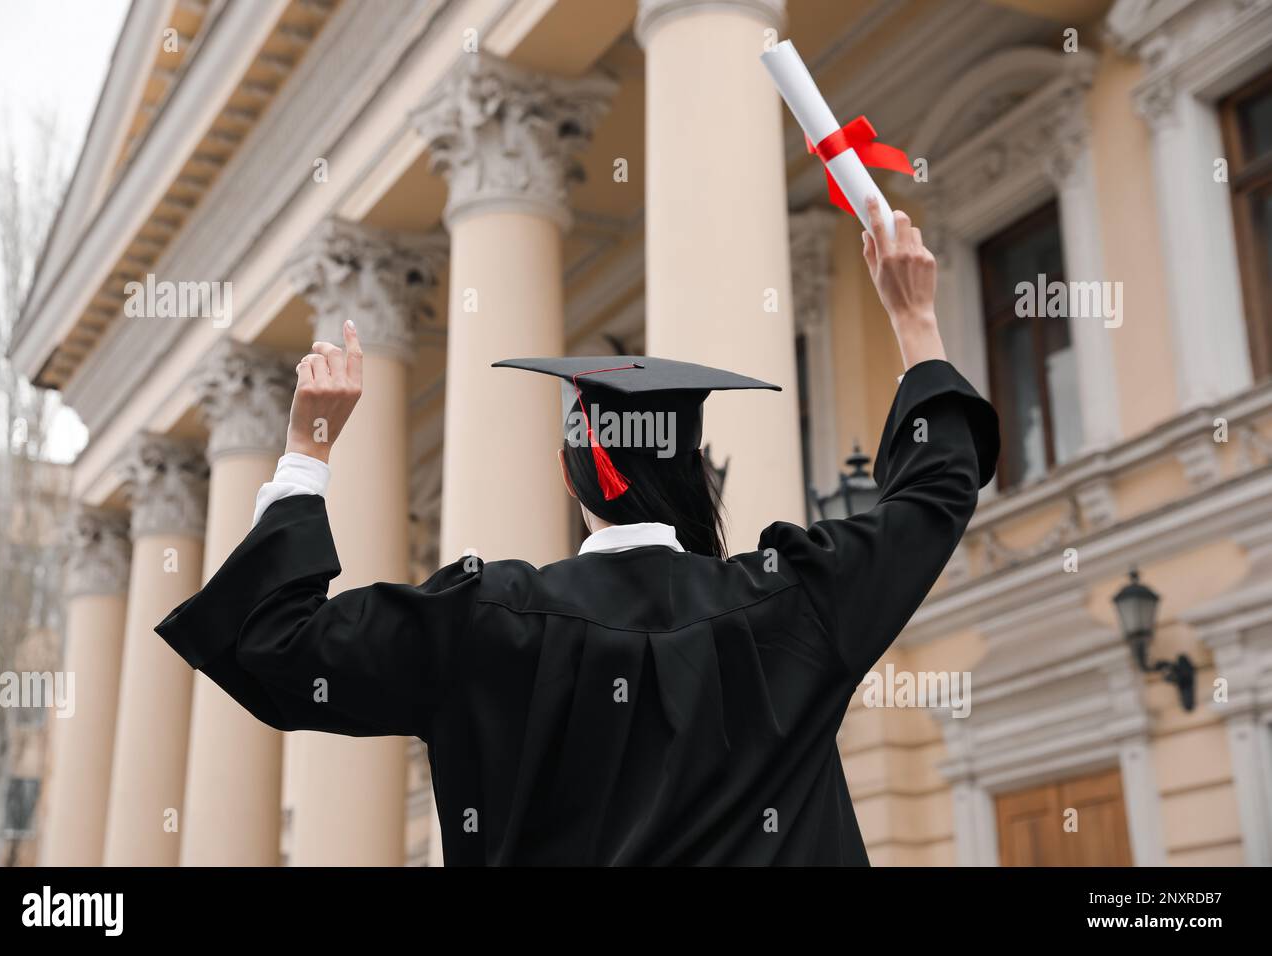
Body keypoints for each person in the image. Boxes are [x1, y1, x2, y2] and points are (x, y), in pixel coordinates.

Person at [155, 200, 999, 865]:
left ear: (575, 476)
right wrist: (914, 317)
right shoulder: (793, 604)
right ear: (696, 470)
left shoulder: (487, 622)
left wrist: (310, 448)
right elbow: (934, 493)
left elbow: (273, 644)